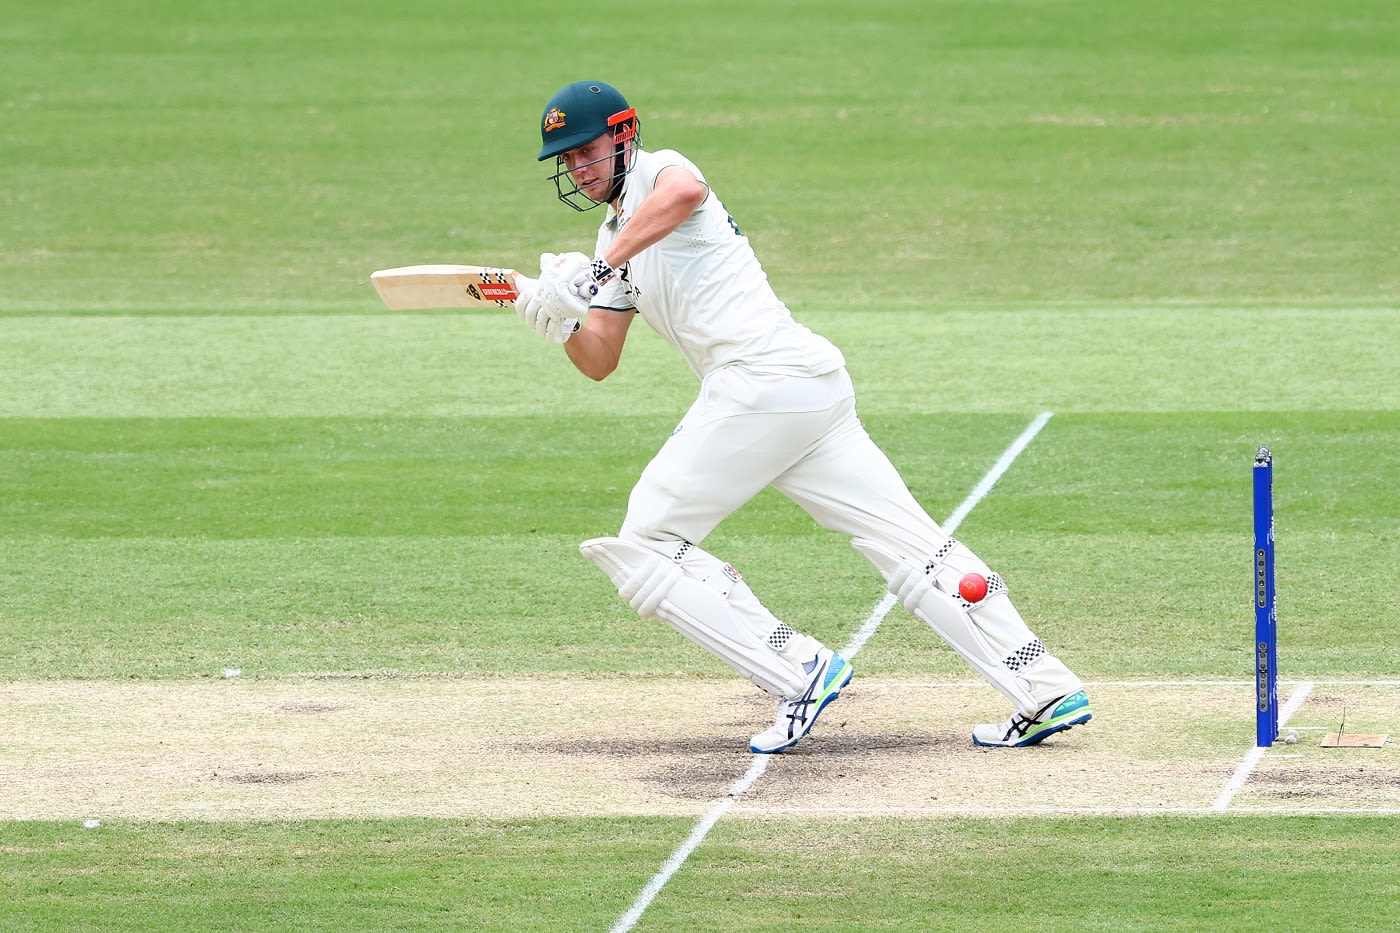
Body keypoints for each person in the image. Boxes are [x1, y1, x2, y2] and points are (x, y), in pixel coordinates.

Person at [512, 80, 1092, 753]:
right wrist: (558, 320)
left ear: (623, 134)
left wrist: (593, 270)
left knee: (647, 541)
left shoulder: (661, 171)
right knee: (913, 548)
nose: (579, 168)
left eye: (586, 151)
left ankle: (799, 669)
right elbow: (600, 359)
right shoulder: (609, 238)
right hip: (801, 391)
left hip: (760, 384)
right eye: (567, 159)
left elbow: (685, 194)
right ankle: (1044, 686)